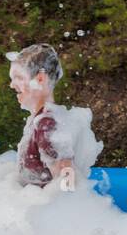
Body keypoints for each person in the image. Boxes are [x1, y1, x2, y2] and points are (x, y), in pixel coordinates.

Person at [10, 43, 77, 188]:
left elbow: (67, 186)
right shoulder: (39, 120)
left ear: (40, 79)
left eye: (18, 77)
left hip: (47, 209)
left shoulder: (47, 124)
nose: (12, 84)